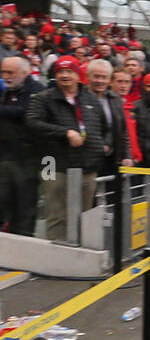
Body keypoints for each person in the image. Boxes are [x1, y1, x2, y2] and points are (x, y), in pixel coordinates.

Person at [26, 56, 107, 242]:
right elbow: (32, 122)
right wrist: (65, 133)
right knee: (55, 213)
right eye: (60, 71)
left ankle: (83, 251)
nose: (64, 75)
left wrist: (103, 145)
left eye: (69, 71)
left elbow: (103, 126)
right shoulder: (43, 98)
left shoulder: (90, 99)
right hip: (51, 163)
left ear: (78, 75)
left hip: (86, 164)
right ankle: (58, 255)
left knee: (85, 214)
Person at [0, 55, 44, 236]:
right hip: (4, 158)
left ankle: (23, 254)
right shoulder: (4, 91)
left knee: (24, 211)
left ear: (25, 73)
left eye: (10, 72)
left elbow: (23, 112)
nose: (5, 76)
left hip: (28, 161)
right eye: (3, 72)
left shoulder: (37, 90)